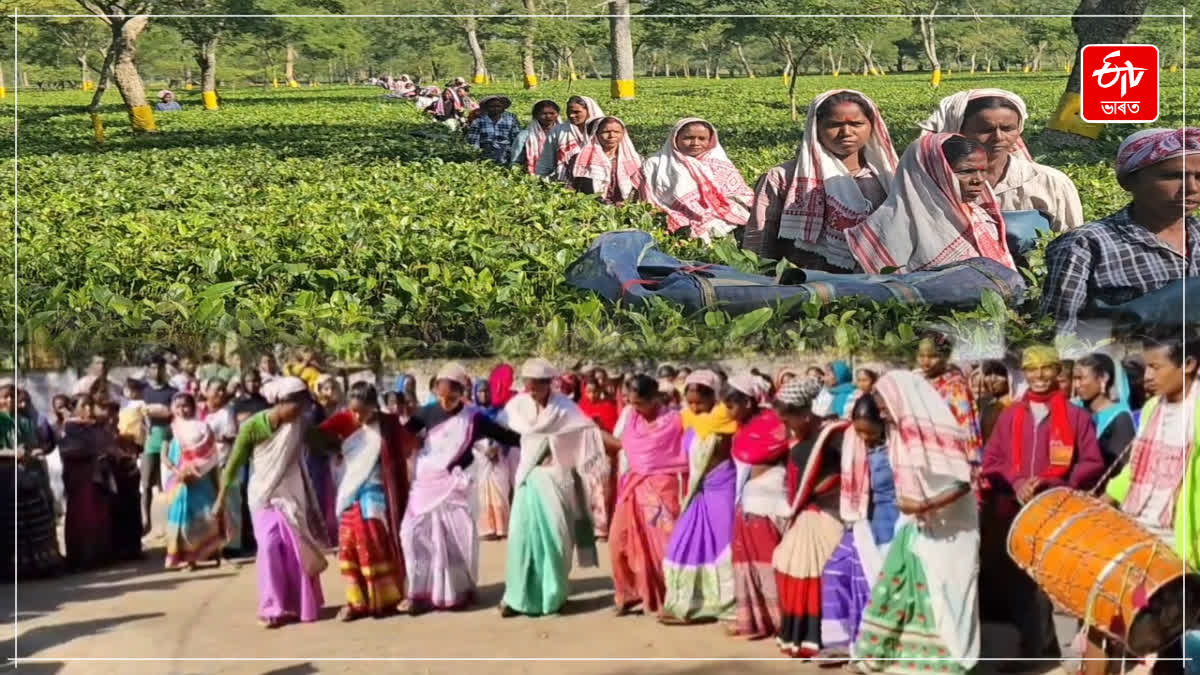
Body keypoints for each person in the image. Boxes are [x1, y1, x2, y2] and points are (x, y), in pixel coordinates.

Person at [979, 345, 1104, 662]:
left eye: (1046, 368)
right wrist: (1017, 481)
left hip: (1056, 514)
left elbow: (1092, 463)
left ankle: (1043, 649)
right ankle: (1031, 650)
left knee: (1050, 583)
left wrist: (1054, 483)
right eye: (1031, 369)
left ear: (1058, 371)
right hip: (1014, 515)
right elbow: (991, 461)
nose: (1038, 376)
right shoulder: (1010, 416)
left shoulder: (1076, 418)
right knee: (1018, 583)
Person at [1083, 334, 1199, 675]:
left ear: (1188, 365)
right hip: (1137, 537)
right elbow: (1133, 470)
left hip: (1177, 547)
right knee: (1108, 621)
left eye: (1155, 366)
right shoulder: (1151, 409)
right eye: (1145, 366)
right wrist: (1105, 498)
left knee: (1159, 637)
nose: (1146, 375)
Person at [851, 371, 980, 675]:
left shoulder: (941, 433)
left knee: (946, 600)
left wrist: (925, 504)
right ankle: (879, 656)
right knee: (895, 584)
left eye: (883, 403)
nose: (880, 410)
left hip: (952, 531)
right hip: (916, 526)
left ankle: (946, 665)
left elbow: (963, 483)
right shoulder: (898, 435)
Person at [1041, 127, 1200, 334]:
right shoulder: (1085, 245)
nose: (1192, 188)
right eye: (1173, 176)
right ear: (1127, 181)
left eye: (1199, 176)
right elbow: (1060, 333)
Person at [399, 362, 521, 613]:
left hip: (454, 486)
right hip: (425, 485)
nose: (446, 400)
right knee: (412, 535)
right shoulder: (426, 413)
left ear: (461, 392)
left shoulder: (473, 418)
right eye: (442, 393)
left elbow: (507, 436)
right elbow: (402, 435)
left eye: (452, 393)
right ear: (435, 391)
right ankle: (417, 592)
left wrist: (538, 437)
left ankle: (455, 591)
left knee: (454, 540)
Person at [498, 358, 609, 617]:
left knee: (558, 540)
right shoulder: (516, 407)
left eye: (537, 384)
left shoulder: (565, 408)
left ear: (549, 384)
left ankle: (554, 597)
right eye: (528, 384)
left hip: (557, 478)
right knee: (521, 541)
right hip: (528, 478)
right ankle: (515, 599)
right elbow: (502, 429)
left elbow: (588, 432)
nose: (532, 389)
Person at [744, 90, 898, 271]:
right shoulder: (783, 177)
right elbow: (760, 239)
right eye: (834, 125)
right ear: (815, 127)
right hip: (805, 284)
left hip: (880, 282)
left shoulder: (891, 176)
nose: (846, 132)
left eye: (857, 124)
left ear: (872, 126)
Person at [217, 377, 326, 628]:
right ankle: (273, 608)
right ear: (281, 403)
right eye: (297, 407)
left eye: (303, 408)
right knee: (268, 547)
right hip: (263, 494)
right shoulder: (252, 427)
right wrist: (220, 500)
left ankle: (299, 605)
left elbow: (322, 440)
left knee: (294, 549)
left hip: (291, 493)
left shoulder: (300, 425)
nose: (300, 413)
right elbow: (232, 465)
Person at [846, 133, 1015, 274]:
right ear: (930, 173)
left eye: (983, 171)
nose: (979, 180)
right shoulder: (886, 228)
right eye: (966, 171)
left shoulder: (979, 217)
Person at [313, 382, 412, 621]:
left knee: (373, 535)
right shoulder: (343, 420)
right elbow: (313, 437)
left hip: (377, 486)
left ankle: (385, 597)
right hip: (349, 488)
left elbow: (406, 449)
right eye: (353, 410)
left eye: (362, 411)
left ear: (372, 406)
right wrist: (335, 448)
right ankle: (356, 602)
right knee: (347, 542)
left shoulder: (387, 424)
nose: (357, 416)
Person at [919, 89, 1082, 231]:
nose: (998, 137)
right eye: (985, 130)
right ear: (957, 132)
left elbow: (1071, 242)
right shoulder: (931, 185)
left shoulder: (1049, 182)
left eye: (1007, 129)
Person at [772, 377, 847, 657]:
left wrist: (820, 490)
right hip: (808, 513)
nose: (786, 426)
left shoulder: (832, 438)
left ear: (805, 413)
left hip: (830, 514)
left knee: (821, 570)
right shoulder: (804, 442)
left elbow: (844, 475)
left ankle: (824, 637)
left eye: (789, 419)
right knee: (793, 564)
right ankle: (801, 635)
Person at [823, 393, 900, 655]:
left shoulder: (898, 445)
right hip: (862, 518)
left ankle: (879, 647)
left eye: (869, 432)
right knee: (838, 571)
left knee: (881, 580)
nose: (864, 438)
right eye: (860, 432)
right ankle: (849, 640)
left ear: (884, 423)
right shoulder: (852, 442)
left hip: (895, 519)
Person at [660, 370, 738, 625]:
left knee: (723, 548)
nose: (694, 407)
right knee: (682, 544)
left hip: (722, 489)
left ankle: (725, 604)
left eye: (700, 402)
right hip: (698, 491)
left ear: (714, 397)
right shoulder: (686, 419)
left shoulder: (725, 419)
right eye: (690, 402)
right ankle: (685, 603)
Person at [610, 373, 687, 616]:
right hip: (633, 485)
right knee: (617, 540)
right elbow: (620, 444)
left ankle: (670, 597)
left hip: (662, 487)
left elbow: (692, 448)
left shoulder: (675, 420)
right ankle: (629, 593)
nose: (634, 407)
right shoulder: (630, 418)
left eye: (639, 402)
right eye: (630, 401)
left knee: (662, 544)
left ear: (654, 399)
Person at [725, 373, 791, 639]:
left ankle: (781, 621)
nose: (726, 411)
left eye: (731, 405)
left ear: (750, 403)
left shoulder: (773, 424)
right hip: (746, 501)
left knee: (768, 563)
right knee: (745, 562)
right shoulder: (741, 429)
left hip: (768, 501)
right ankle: (753, 619)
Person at [640, 117, 754, 244]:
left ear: (710, 140)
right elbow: (650, 198)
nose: (695, 143)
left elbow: (739, 192)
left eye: (702, 139)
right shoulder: (656, 163)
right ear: (675, 138)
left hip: (727, 217)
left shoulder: (719, 161)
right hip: (681, 218)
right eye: (688, 138)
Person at [0, 382, 64, 579]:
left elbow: (33, 445)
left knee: (35, 522)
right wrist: (14, 453)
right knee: (11, 525)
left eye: (12, 396)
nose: (9, 400)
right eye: (5, 397)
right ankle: (11, 570)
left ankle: (39, 565)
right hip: (5, 479)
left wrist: (33, 452)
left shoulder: (25, 421)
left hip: (27, 476)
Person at [163, 408, 226, 571]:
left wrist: (201, 471)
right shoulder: (171, 429)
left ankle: (215, 555)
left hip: (202, 479)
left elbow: (212, 456)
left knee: (207, 518)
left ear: (193, 406)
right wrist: (179, 472)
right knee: (184, 521)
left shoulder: (203, 428)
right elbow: (164, 455)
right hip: (180, 480)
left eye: (186, 405)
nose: (182, 409)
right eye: (177, 405)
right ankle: (190, 560)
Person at [58, 393, 116, 571]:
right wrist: (92, 451)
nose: (88, 409)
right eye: (84, 405)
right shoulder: (70, 427)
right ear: (74, 408)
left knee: (98, 515)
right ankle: (81, 558)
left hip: (96, 476)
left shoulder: (93, 427)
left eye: (90, 405)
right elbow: (68, 451)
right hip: (80, 478)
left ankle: (99, 554)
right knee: (82, 516)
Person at [916, 333, 983, 465]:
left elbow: (967, 426)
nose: (925, 362)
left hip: (950, 457)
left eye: (932, 356)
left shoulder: (956, 387)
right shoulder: (917, 383)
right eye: (921, 356)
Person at [1073, 353, 1136, 472]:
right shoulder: (1076, 410)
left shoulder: (1120, 418)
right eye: (1075, 379)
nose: (1076, 385)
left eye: (1081, 378)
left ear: (1103, 378)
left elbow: (1120, 467)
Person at [577, 375, 618, 539]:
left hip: (603, 454)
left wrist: (600, 427)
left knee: (601, 491)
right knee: (585, 490)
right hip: (584, 454)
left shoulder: (608, 407)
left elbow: (614, 432)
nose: (592, 395)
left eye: (595, 391)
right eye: (588, 392)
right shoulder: (578, 409)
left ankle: (601, 528)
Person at [567, 117, 643, 206]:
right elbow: (570, 186)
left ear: (623, 134)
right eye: (606, 132)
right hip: (590, 208)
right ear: (596, 134)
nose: (611, 136)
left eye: (617, 132)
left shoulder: (635, 160)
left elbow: (640, 187)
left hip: (625, 207)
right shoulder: (580, 158)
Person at [141, 356, 178, 535]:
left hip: (168, 440)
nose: (156, 372)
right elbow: (138, 415)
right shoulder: (144, 392)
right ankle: (146, 521)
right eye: (153, 368)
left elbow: (174, 413)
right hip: (150, 440)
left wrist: (157, 411)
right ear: (148, 370)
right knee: (146, 483)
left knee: (166, 483)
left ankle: (168, 522)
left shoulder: (173, 391)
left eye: (160, 368)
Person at [473, 376, 512, 541]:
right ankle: (487, 529)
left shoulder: (500, 412)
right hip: (479, 455)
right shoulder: (471, 414)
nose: (484, 394)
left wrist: (497, 448)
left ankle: (502, 527)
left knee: (500, 491)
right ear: (476, 393)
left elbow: (508, 433)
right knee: (482, 493)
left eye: (486, 391)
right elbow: (468, 437)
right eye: (480, 391)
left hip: (498, 454)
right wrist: (483, 449)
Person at [536, 95, 604, 181]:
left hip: (598, 178)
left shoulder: (601, 129)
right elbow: (546, 159)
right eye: (569, 111)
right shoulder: (559, 130)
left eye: (577, 112)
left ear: (589, 111)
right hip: (566, 180)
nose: (571, 115)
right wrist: (539, 178)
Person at [466, 95, 521, 164]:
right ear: (486, 108)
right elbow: (473, 140)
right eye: (491, 106)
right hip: (485, 149)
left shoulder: (510, 119)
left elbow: (516, 137)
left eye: (498, 106)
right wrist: (475, 155)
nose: (495, 109)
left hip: (505, 149)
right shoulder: (479, 121)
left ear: (503, 108)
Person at [511, 100, 560, 173]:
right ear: (536, 115)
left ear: (557, 114)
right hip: (530, 173)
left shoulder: (563, 133)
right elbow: (516, 160)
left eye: (552, 113)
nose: (548, 116)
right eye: (544, 114)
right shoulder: (525, 135)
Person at [976, 359, 1013, 443]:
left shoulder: (1014, 406)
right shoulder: (986, 405)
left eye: (999, 374)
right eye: (988, 374)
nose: (992, 379)